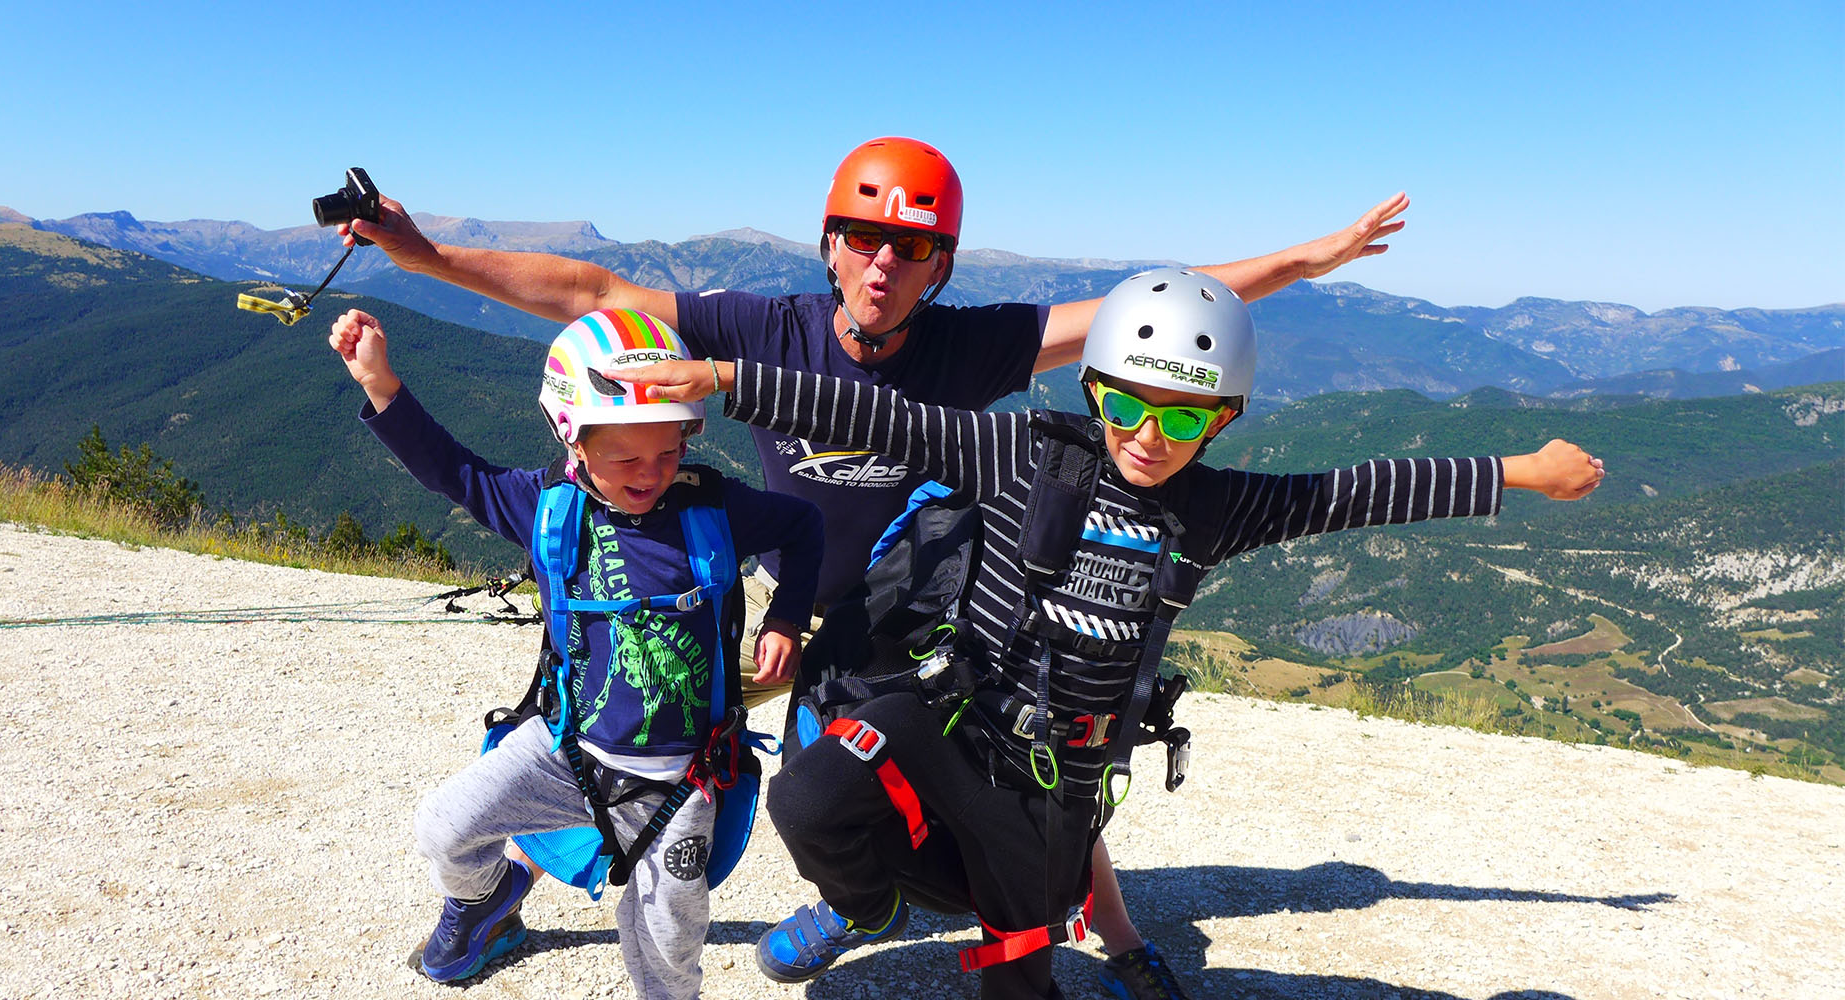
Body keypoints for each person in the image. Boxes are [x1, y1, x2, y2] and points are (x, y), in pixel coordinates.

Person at [340, 136, 1408, 996]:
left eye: (908, 247)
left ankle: (976, 912)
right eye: (859, 238)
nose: (881, 264)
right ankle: (542, 887)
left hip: (915, 613)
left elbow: (1152, 311)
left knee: (961, 771)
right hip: (798, 599)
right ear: (830, 245)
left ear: (939, 263)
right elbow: (582, 284)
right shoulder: (764, 327)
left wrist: (1306, 260)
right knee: (659, 737)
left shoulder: (971, 346)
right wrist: (423, 255)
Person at [610, 266, 1605, 1000]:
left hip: (1048, 793)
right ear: (1092, 389)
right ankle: (864, 909)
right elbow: (879, 414)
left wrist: (1519, 471)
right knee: (809, 793)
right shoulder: (1020, 453)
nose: (1147, 434)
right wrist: (723, 380)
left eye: (1182, 418)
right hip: (946, 721)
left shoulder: (1215, 510)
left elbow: (1354, 492)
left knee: (1020, 983)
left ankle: (1011, 927)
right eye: (1126, 402)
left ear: (1222, 420)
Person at [328, 305, 822, 998]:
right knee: (444, 827)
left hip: (682, 780)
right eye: (625, 456)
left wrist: (787, 619)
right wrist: (381, 384)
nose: (651, 472)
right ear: (575, 442)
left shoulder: (713, 511)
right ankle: (485, 902)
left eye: (670, 449)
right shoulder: (548, 507)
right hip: (567, 749)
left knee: (670, 947)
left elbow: (804, 526)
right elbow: (453, 472)